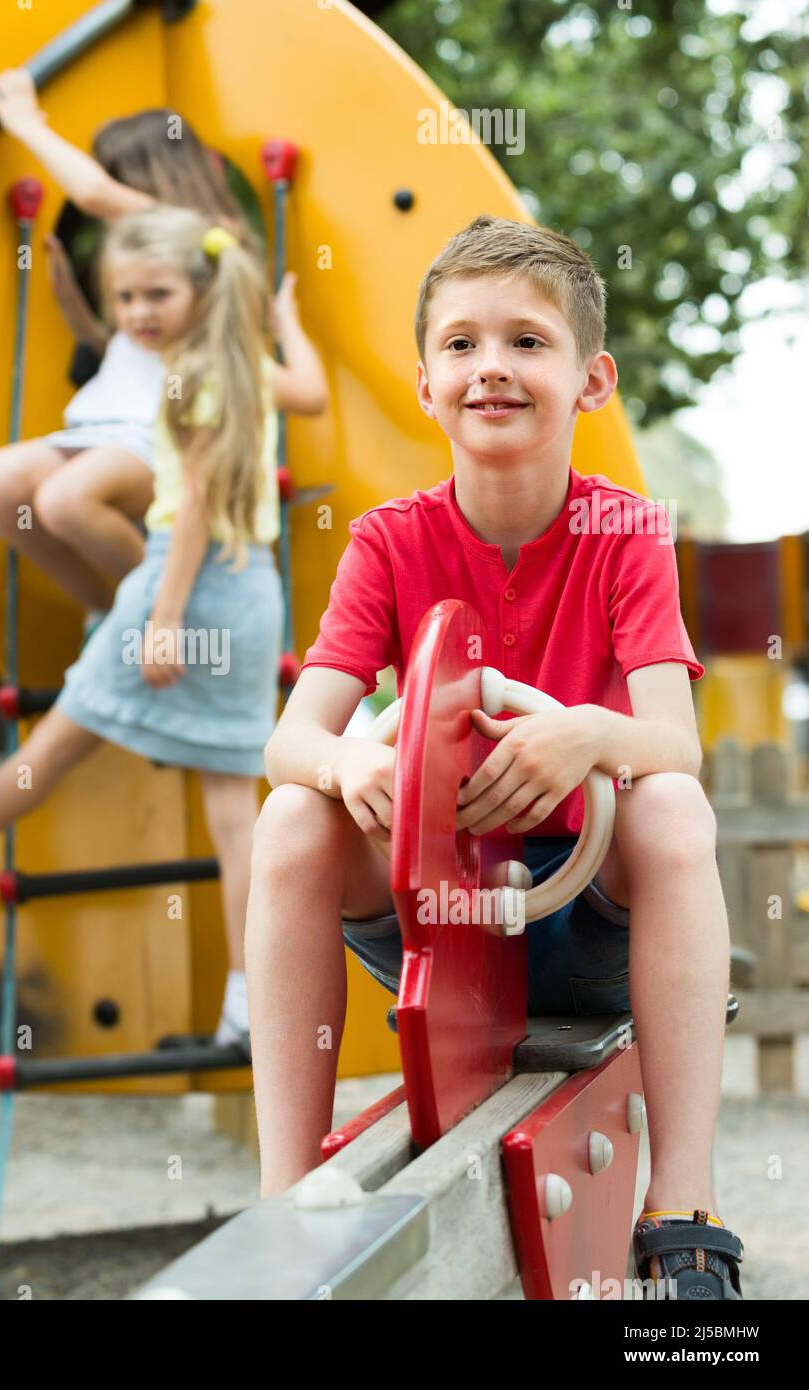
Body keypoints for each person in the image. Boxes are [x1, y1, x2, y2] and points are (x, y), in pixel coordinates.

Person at [248, 213, 744, 1299]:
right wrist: (347, 768)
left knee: (669, 809)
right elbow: (291, 739)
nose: (492, 368)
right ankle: (287, 1202)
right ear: (425, 383)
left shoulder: (625, 532)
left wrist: (585, 732)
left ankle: (686, 1207)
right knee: (289, 815)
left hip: (583, 916)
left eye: (527, 341)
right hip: (438, 920)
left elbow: (675, 742)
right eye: (462, 345)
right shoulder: (390, 540)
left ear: (592, 379)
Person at [0, 204, 328, 1051]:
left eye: (156, 293)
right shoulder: (246, 365)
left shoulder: (189, 376)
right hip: (251, 591)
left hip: (182, 582)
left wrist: (161, 618)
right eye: (126, 298)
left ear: (199, 290)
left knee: (57, 740)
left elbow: (190, 501)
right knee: (237, 818)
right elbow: (314, 390)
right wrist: (290, 324)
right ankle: (246, 1009)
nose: (138, 313)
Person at [0, 69, 260, 627]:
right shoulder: (148, 261)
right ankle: (111, 615)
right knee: (0, 480)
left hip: (163, 434)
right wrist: (72, 308)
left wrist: (28, 125)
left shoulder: (203, 233)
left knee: (63, 499)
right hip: (106, 422)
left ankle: (165, 613)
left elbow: (91, 192)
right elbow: (134, 352)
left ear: (148, 174)